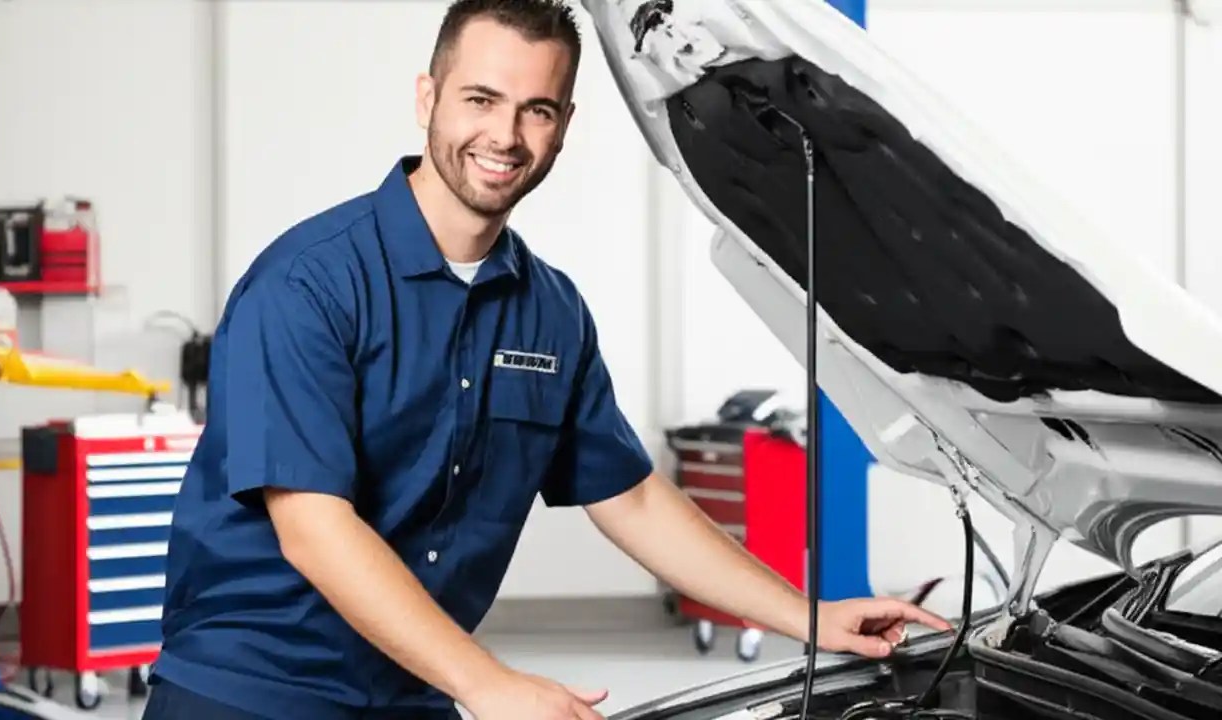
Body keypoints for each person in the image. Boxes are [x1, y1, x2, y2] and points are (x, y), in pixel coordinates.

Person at [142, 1, 951, 719]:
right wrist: (486, 683)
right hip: (250, 689)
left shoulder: (550, 310)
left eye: (536, 109)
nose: (505, 135)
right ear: (427, 98)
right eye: (481, 100)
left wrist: (807, 616)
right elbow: (315, 528)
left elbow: (628, 499)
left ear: (564, 123)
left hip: (412, 685)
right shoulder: (310, 282)